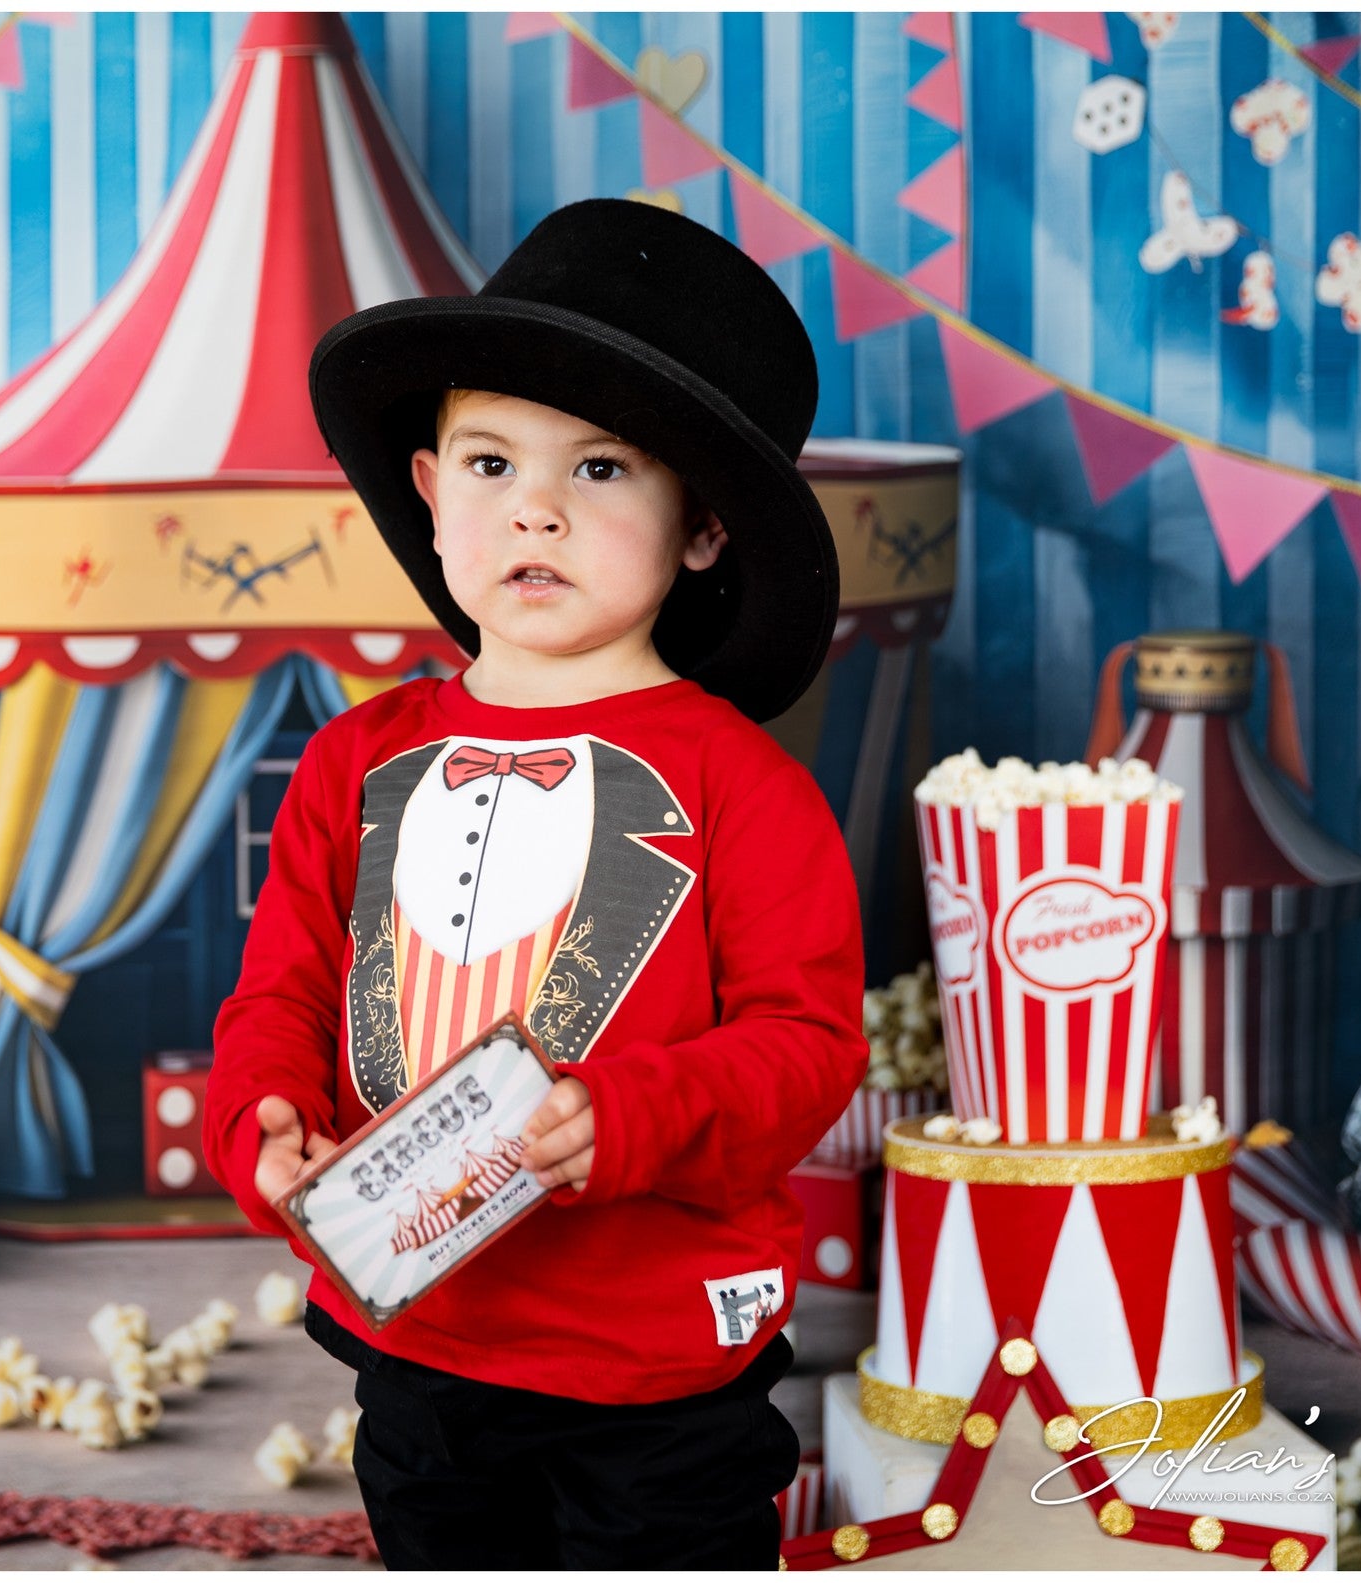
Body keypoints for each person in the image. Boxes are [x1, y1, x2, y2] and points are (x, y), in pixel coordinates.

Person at [201, 198, 866, 1569]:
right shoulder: (355, 760)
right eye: (495, 460)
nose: (540, 507)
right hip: (419, 1334)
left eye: (605, 469)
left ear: (703, 531)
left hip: (657, 1361)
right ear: (434, 489)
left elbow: (808, 1051)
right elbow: (283, 989)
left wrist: (632, 1109)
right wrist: (260, 1116)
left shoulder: (746, 787)